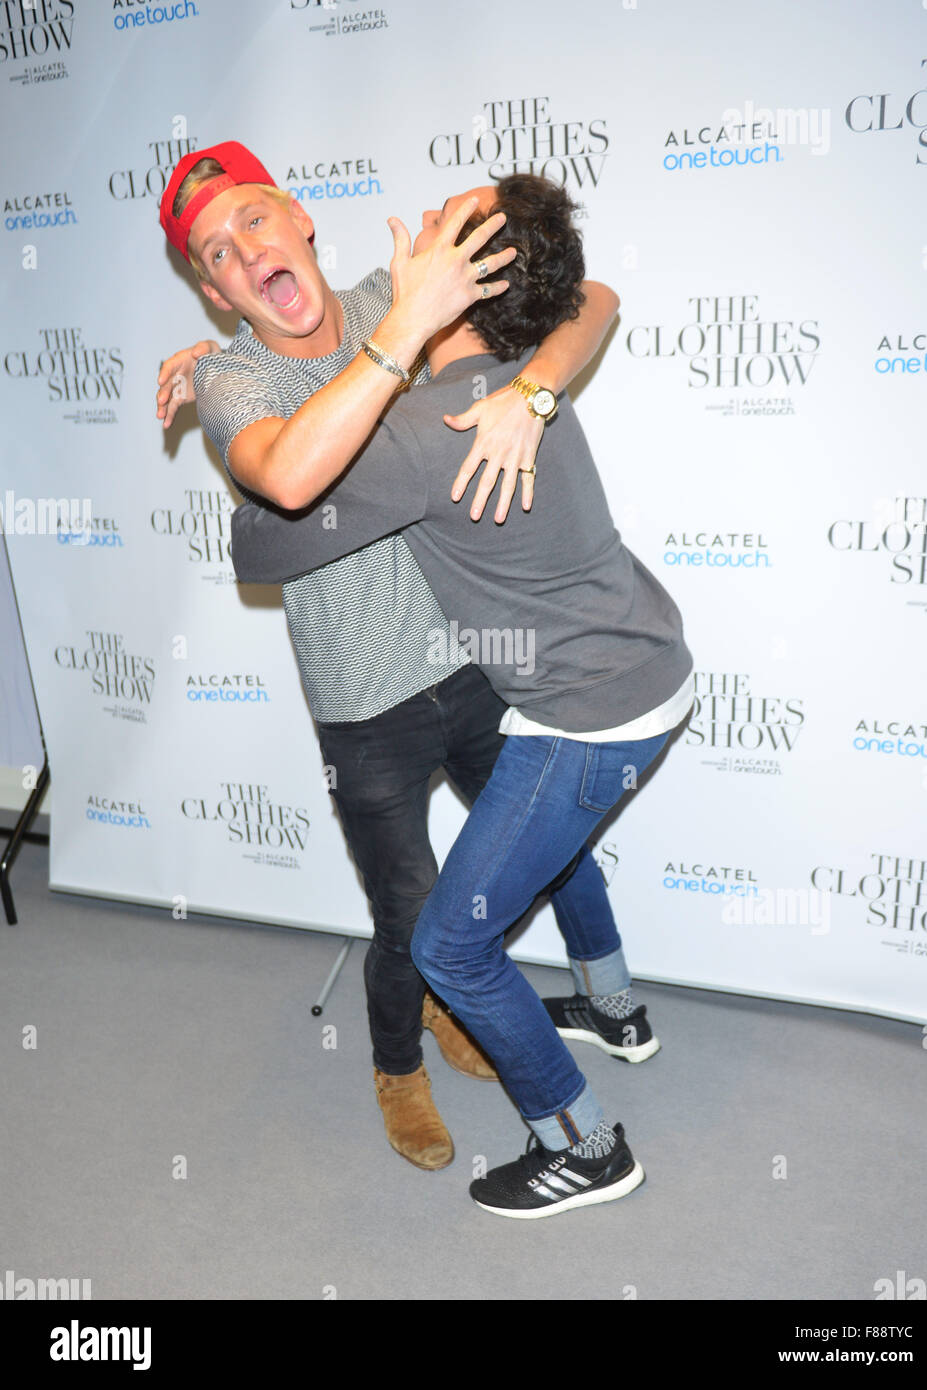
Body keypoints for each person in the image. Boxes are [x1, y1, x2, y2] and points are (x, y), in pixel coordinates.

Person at [157, 143, 645, 1175]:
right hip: (361, 707)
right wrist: (403, 331)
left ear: (297, 218)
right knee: (409, 912)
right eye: (216, 250)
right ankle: (397, 1066)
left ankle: (527, 1007)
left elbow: (591, 297)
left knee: (544, 852)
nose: (243, 250)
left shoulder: (397, 288)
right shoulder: (238, 379)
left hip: (468, 665)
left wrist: (535, 394)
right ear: (212, 291)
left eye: (252, 218)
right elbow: (287, 480)